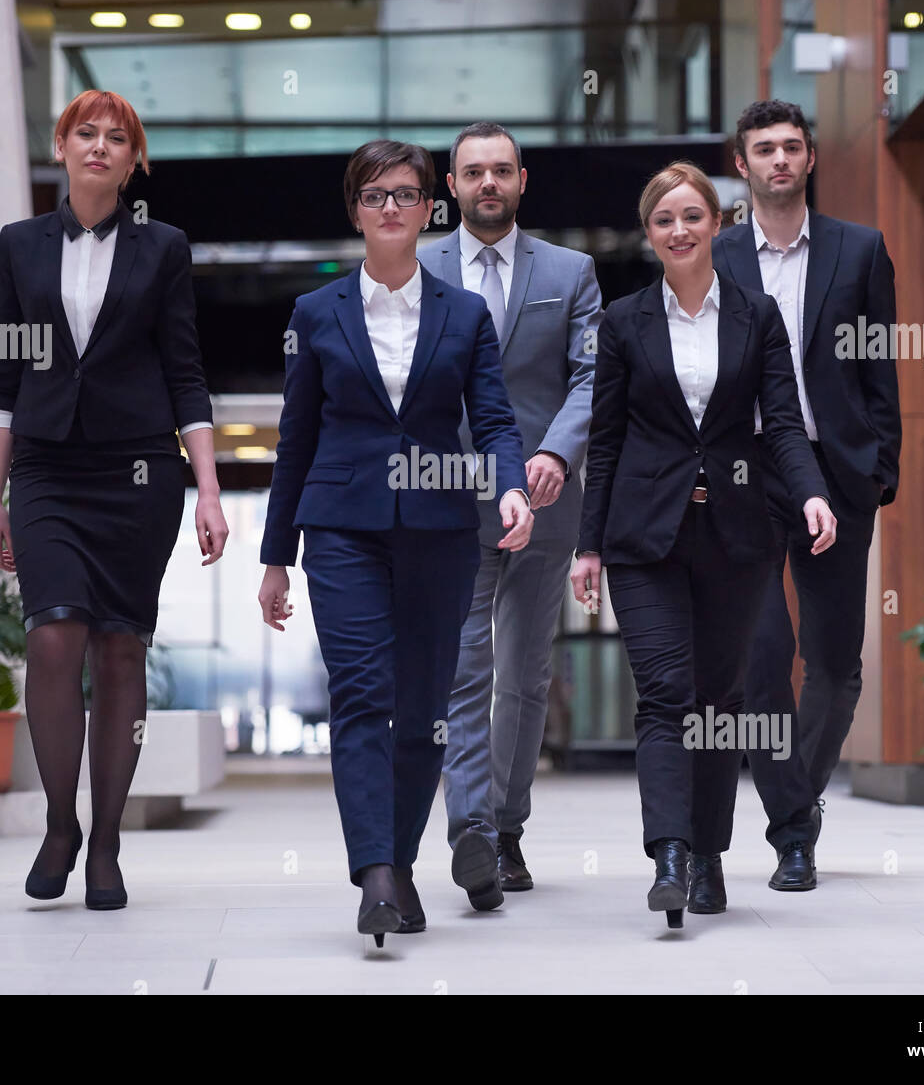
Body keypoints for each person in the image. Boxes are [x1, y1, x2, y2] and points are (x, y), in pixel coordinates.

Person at [258, 139, 533, 946]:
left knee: (422, 716)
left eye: (405, 195)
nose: (390, 208)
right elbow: (295, 439)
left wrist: (509, 484)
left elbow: (492, 417)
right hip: (342, 529)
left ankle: (403, 863)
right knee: (362, 698)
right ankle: (374, 873)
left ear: (427, 209)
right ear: (356, 211)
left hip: (441, 532)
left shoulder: (465, 313)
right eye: (375, 196)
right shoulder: (317, 314)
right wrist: (276, 557)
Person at [570, 161, 836, 928]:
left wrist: (813, 492)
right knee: (664, 696)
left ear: (716, 224)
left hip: (737, 534)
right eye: (663, 220)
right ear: (648, 233)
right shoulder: (623, 322)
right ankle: (670, 855)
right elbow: (608, 440)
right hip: (642, 537)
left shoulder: (756, 316)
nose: (678, 230)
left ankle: (711, 854)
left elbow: (782, 423)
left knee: (721, 703)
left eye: (692, 216)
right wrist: (588, 547)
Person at [0, 90, 228, 911]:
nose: (99, 146)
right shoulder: (19, 246)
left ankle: (109, 842)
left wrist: (209, 489)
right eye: (84, 132)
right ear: (60, 145)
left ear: (134, 161)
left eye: (116, 138)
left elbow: (186, 373)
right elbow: (5, 377)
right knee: (54, 637)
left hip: (137, 473)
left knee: (120, 648)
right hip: (47, 469)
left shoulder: (164, 248)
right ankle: (61, 823)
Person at [713, 100, 901, 892]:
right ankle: (792, 831)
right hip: (747, 475)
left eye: (792, 147)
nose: (780, 160)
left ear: (810, 159)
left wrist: (881, 466)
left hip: (839, 471)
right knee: (760, 661)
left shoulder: (861, 251)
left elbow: (880, 367)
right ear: (742, 164)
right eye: (765, 149)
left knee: (833, 660)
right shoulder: (715, 255)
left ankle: (802, 795)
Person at [419, 122, 600, 907]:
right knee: (463, 669)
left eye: (500, 171)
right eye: (472, 172)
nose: (487, 183)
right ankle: (471, 834)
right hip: (448, 501)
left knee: (525, 674)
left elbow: (593, 377)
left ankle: (509, 826)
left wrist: (556, 454)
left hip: (547, 495)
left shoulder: (573, 270)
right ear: (450, 187)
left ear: (522, 180)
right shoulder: (415, 266)